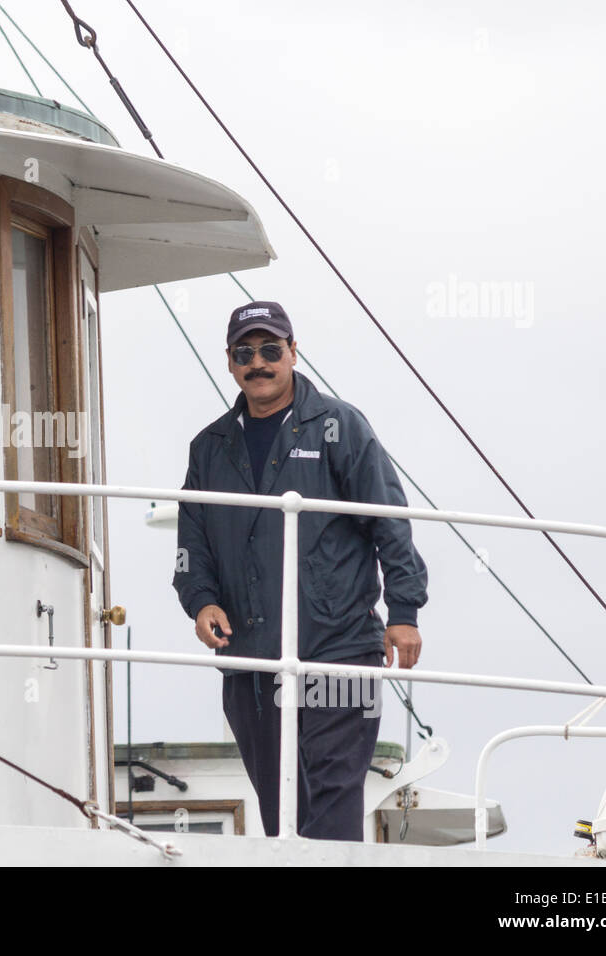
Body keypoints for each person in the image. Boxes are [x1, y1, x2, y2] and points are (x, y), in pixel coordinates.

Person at [171, 300, 428, 841]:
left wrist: (404, 611)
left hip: (337, 649)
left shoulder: (340, 426)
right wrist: (201, 600)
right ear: (229, 360)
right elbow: (191, 543)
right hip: (250, 660)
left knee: (333, 795)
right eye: (246, 352)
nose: (258, 362)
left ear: (293, 351)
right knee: (279, 806)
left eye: (270, 349)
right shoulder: (209, 447)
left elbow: (389, 521)